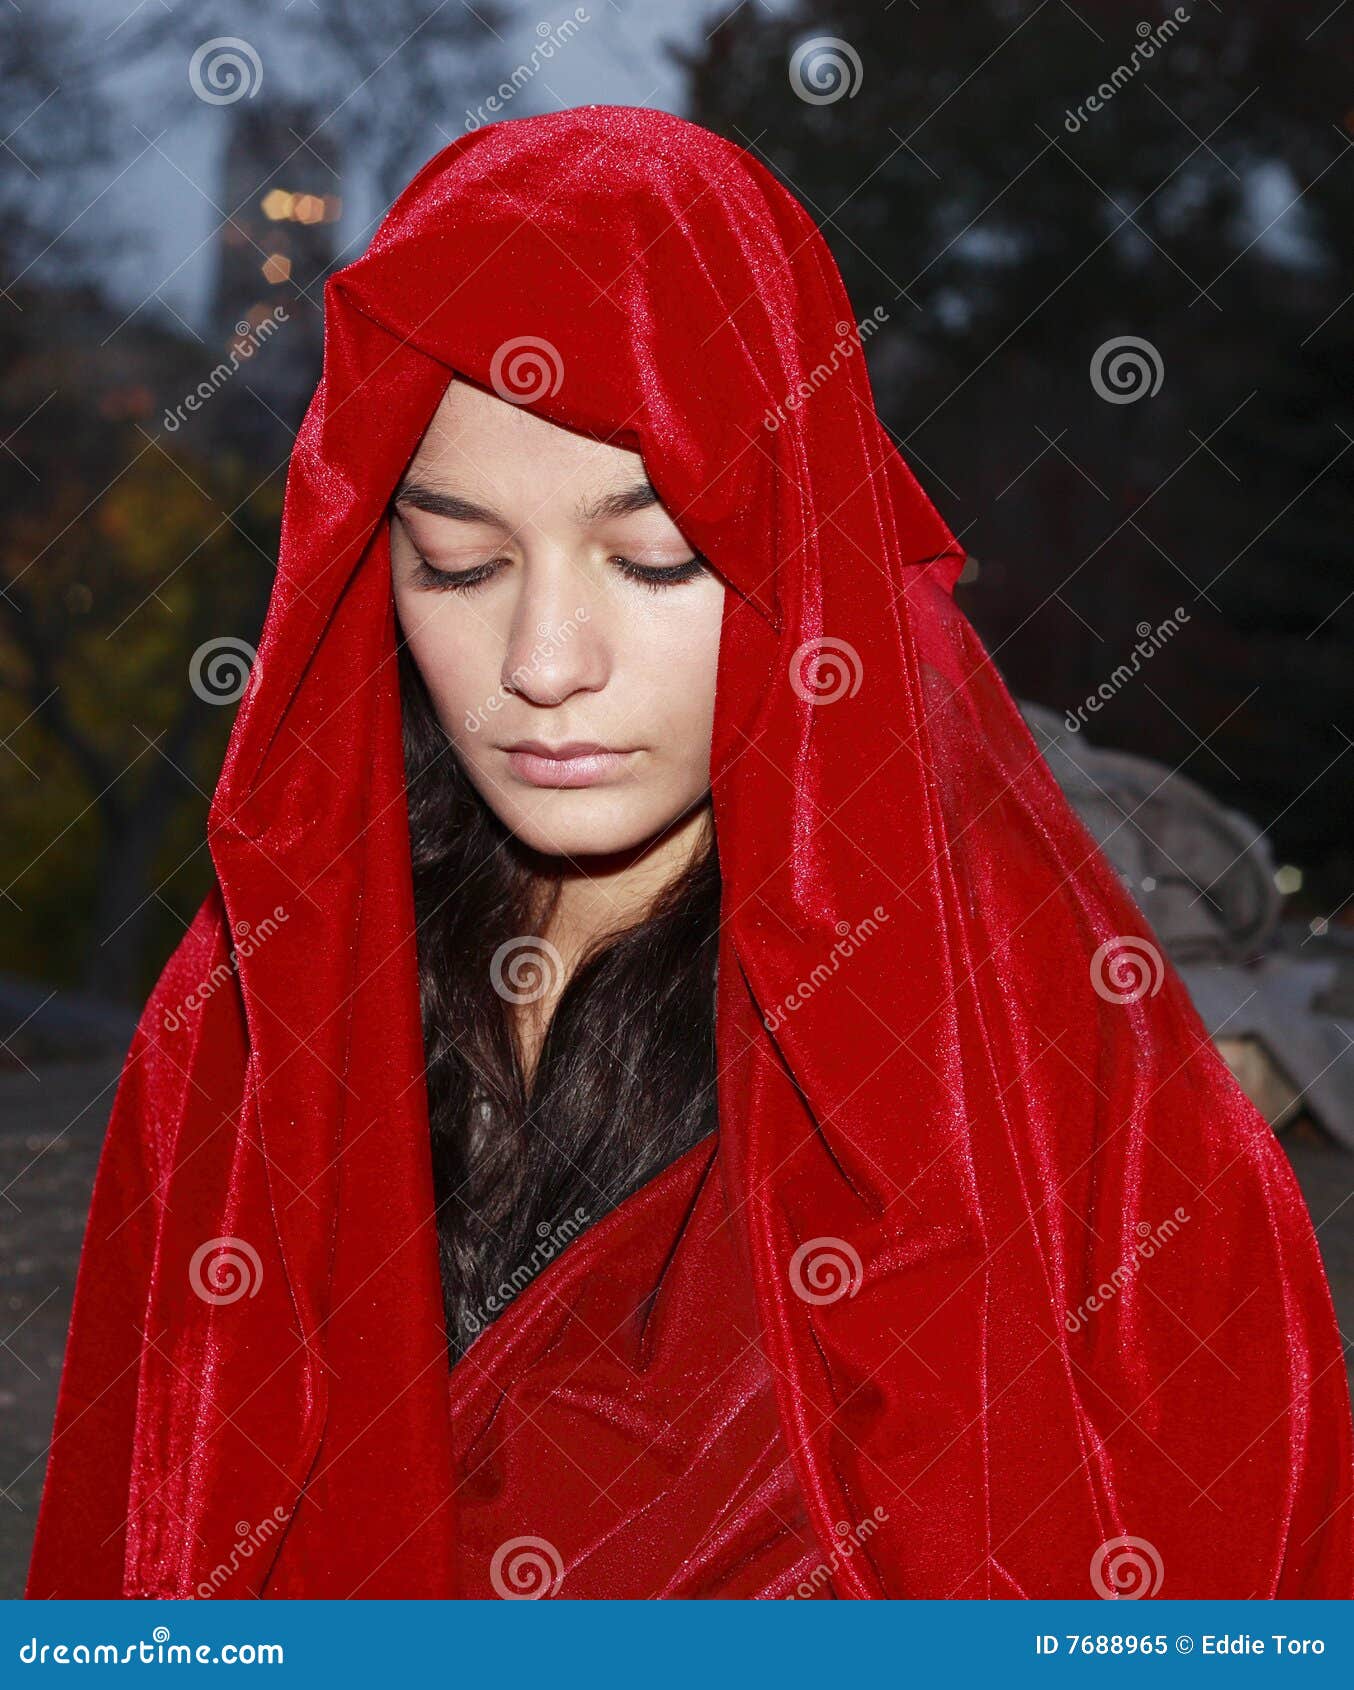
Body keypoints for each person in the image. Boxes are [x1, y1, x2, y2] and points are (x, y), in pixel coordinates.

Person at [27, 105, 1354, 1601]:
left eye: (656, 556)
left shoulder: (1022, 1036)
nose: (540, 661)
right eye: (456, 561)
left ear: (799, 549)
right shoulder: (249, 1021)